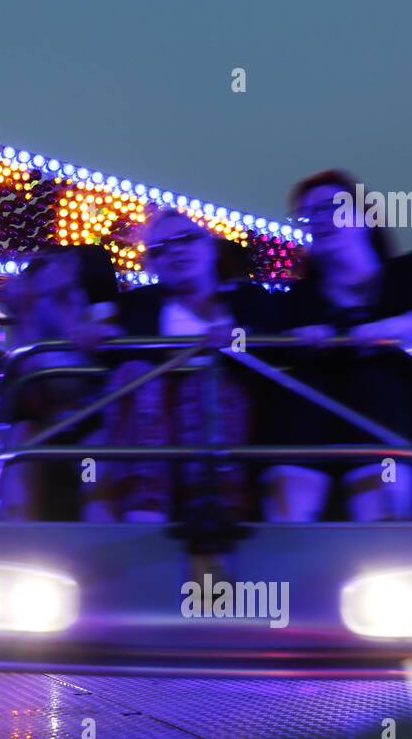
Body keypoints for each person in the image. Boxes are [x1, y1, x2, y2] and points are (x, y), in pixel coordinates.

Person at [263, 170, 412, 522]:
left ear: (366, 216)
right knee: (296, 402)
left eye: (333, 206)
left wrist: (373, 333)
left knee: (376, 385)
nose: (321, 219)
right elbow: (278, 346)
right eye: (310, 213)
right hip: (315, 432)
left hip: (390, 424)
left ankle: (382, 524)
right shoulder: (300, 299)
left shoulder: (411, 272)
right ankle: (292, 527)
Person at [86, 208, 273, 522]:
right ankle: (146, 499)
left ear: (210, 247)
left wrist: (234, 336)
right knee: (136, 374)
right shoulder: (139, 304)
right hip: (158, 420)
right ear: (153, 264)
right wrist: (95, 334)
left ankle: (218, 494)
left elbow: (272, 335)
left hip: (231, 412)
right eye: (160, 249)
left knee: (207, 383)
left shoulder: (247, 297)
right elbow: (113, 350)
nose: (176, 252)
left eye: (185, 239)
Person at [0, 244, 123, 520]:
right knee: (20, 449)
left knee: (93, 463)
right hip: (45, 425)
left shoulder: (97, 314)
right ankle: (18, 539)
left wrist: (90, 334)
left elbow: (111, 339)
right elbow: (29, 393)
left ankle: (100, 530)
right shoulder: (29, 333)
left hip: (90, 423)